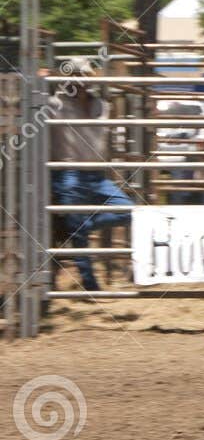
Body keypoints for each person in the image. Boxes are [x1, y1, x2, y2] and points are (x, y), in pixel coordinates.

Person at [48, 58, 131, 292]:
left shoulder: (102, 106)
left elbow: (110, 138)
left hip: (96, 174)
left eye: (83, 76)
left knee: (126, 210)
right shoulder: (53, 105)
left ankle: (79, 227)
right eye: (75, 76)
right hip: (68, 174)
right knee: (79, 232)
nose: (80, 81)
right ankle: (90, 285)